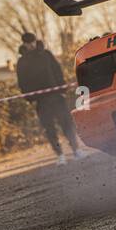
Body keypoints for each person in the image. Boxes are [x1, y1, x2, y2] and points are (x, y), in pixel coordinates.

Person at [16, 32, 85, 165]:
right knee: (49, 128)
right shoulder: (22, 62)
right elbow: (22, 81)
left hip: (56, 96)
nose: (31, 45)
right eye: (28, 43)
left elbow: (57, 71)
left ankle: (76, 150)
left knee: (67, 124)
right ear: (24, 44)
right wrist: (29, 97)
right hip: (41, 101)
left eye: (32, 42)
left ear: (36, 41)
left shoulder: (46, 54)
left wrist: (62, 88)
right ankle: (60, 155)